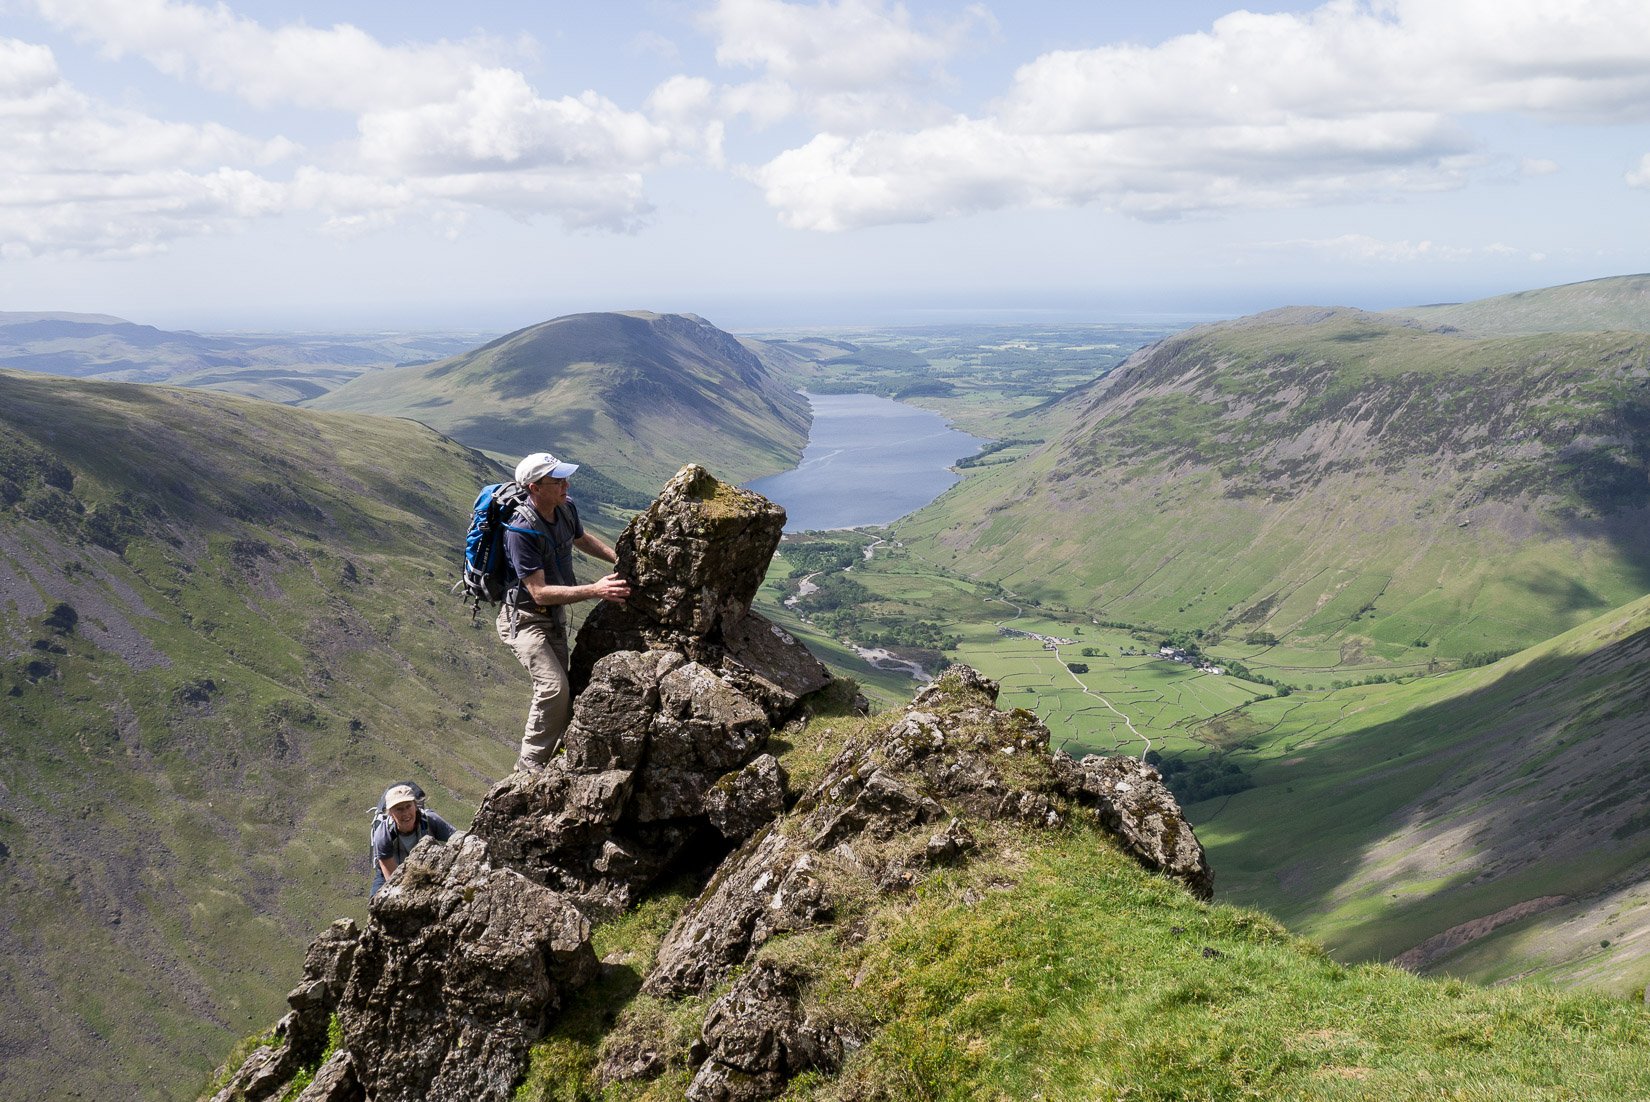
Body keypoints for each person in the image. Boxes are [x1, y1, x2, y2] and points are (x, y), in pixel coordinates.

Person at [499, 451, 631, 772]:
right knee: (553, 688)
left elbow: (581, 539)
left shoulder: (565, 508)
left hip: (553, 617)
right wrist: (596, 590)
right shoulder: (521, 531)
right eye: (556, 481)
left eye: (564, 478)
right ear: (534, 488)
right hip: (525, 621)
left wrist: (618, 559)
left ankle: (555, 756)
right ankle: (529, 767)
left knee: (566, 690)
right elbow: (539, 591)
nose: (565, 485)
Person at [370, 784, 455, 897]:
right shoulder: (383, 834)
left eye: (408, 806)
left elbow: (458, 839)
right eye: (398, 809)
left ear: (415, 806)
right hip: (393, 873)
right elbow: (392, 881)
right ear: (391, 813)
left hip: (428, 870)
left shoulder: (430, 820)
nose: (405, 813)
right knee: (377, 903)